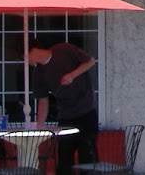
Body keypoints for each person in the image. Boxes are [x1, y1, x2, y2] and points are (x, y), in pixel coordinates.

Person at [28, 39, 98, 175]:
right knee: (64, 159)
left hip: (85, 111)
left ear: (33, 51)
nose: (25, 61)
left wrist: (72, 75)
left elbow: (90, 61)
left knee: (87, 158)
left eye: (25, 56)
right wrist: (39, 127)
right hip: (65, 117)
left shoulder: (63, 50)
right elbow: (43, 101)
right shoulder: (39, 73)